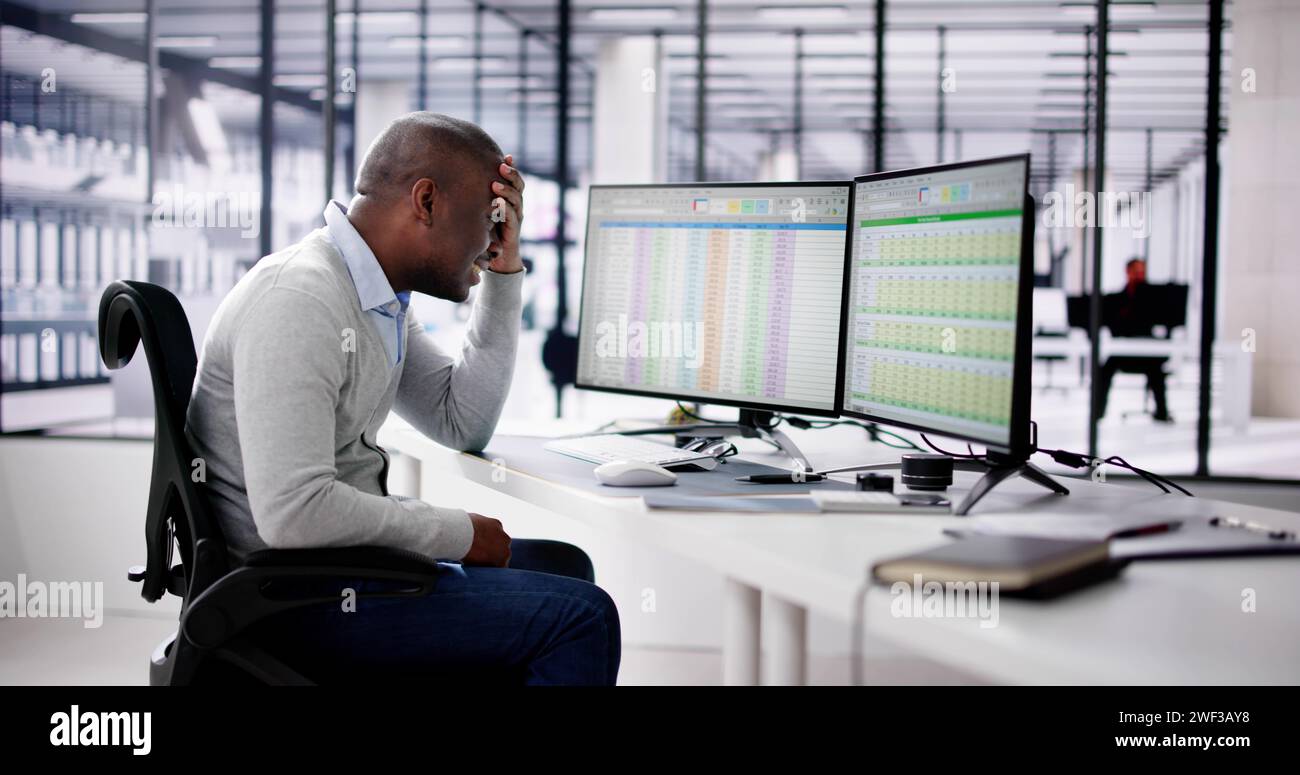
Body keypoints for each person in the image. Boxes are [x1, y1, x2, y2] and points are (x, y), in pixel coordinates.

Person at [185, 112, 620, 685]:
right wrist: (459, 533)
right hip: (294, 602)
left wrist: (504, 271)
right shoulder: (301, 299)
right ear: (426, 201)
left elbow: (460, 420)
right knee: (583, 618)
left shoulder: (375, 298)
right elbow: (294, 513)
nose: (491, 241)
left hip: (337, 570)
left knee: (568, 567)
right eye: (488, 220)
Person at [1097, 257, 1172, 423]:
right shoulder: (1115, 299)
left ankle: (1162, 412)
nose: (1139, 276)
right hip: (1122, 353)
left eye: (1142, 272)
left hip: (1146, 353)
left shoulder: (1153, 299)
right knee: (1105, 368)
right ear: (1128, 272)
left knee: (1156, 369)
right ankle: (1098, 412)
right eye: (1136, 272)